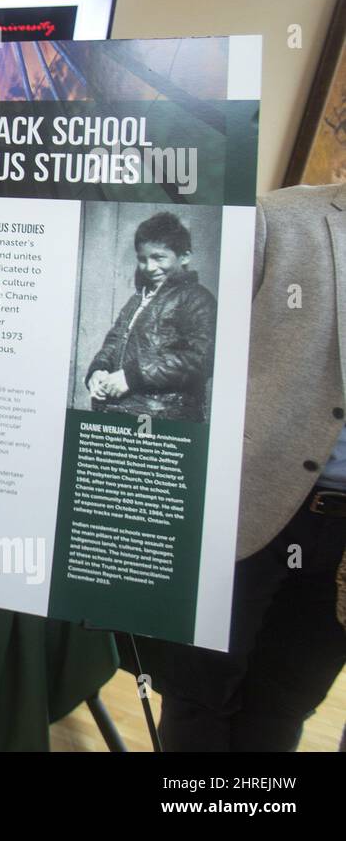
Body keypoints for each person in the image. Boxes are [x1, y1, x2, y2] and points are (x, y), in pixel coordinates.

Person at [143, 183, 346, 750]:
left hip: (342, 544)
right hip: (249, 507)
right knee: (197, 692)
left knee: (287, 700)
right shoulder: (278, 220)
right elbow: (201, 357)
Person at [85, 211, 218, 423]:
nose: (149, 267)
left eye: (158, 257)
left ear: (185, 256)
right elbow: (114, 341)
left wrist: (133, 376)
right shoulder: (137, 300)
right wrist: (99, 369)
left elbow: (202, 359)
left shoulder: (197, 299)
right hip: (122, 413)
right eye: (142, 259)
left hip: (165, 420)